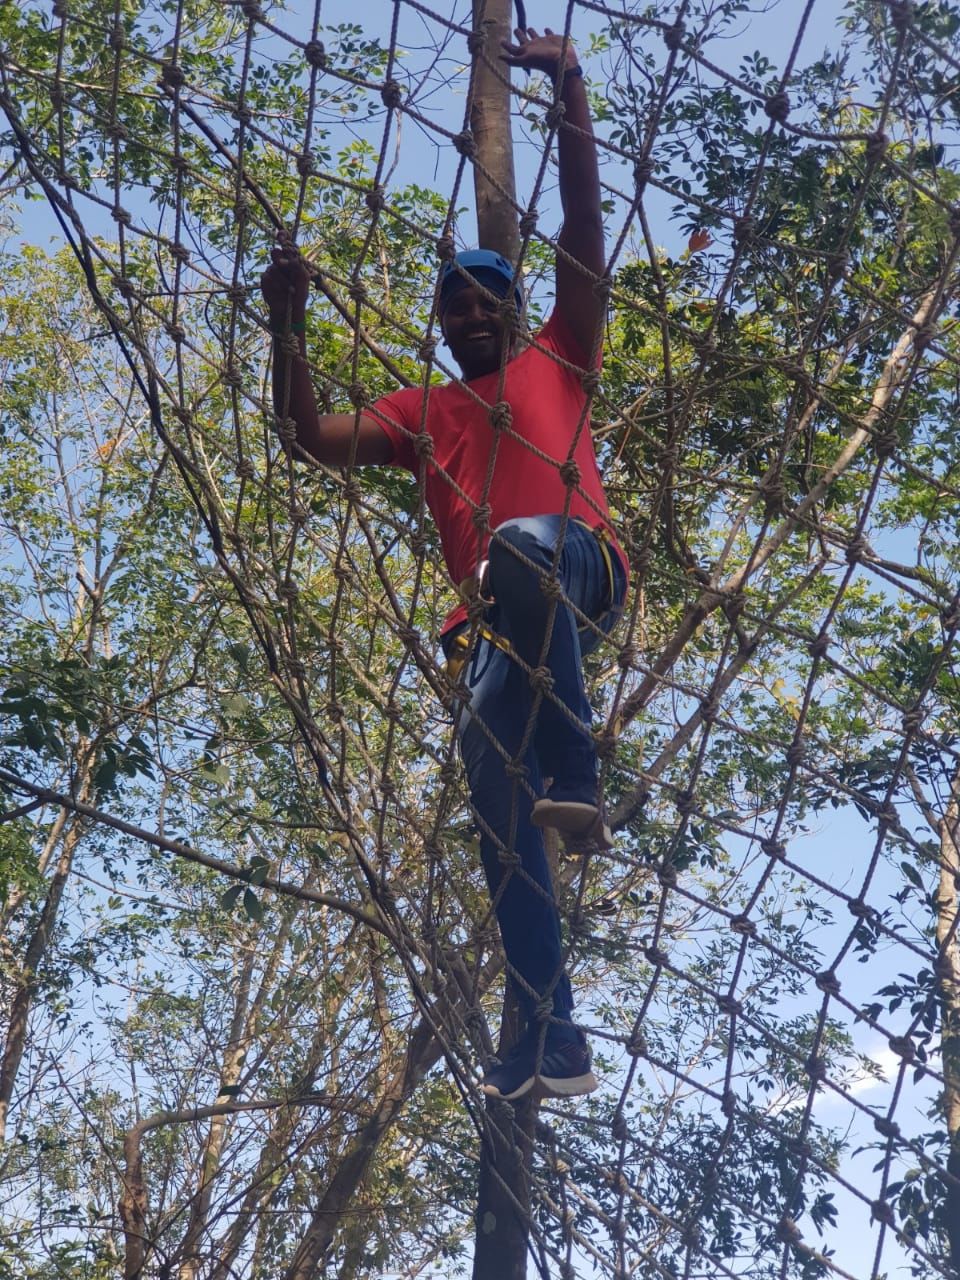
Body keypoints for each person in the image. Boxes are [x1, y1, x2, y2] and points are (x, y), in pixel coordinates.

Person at [260, 28, 627, 1101]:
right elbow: (307, 437)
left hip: (577, 567)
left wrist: (570, 91)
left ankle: (579, 765)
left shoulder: (562, 351)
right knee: (491, 799)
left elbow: (585, 237)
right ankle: (553, 1030)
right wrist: (289, 325)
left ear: (512, 305)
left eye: (485, 295)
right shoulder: (424, 413)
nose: (469, 311)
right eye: (453, 303)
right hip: (500, 627)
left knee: (521, 548)